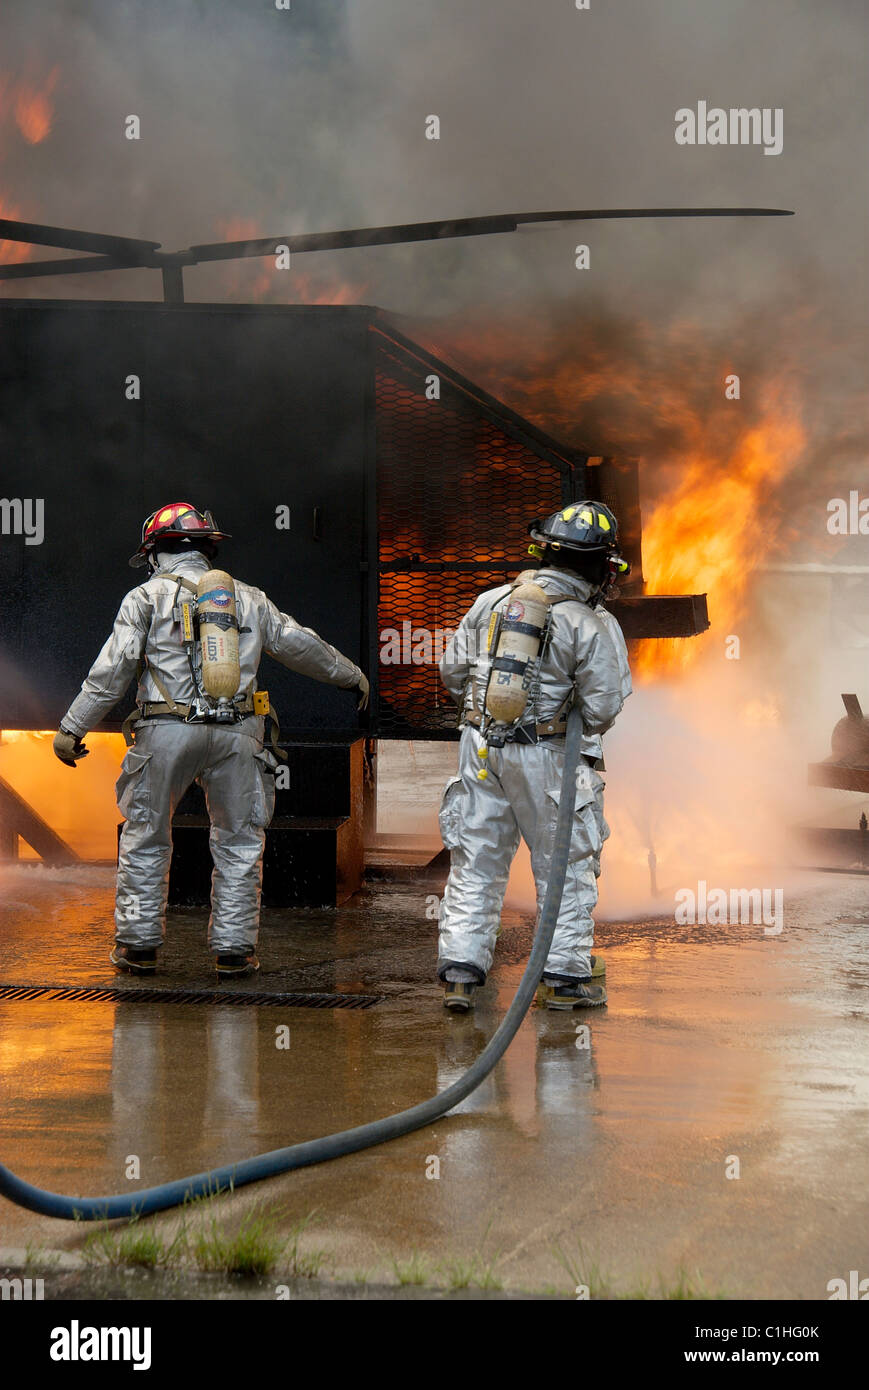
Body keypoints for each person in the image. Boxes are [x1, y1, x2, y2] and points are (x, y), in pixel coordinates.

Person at [52, 502, 368, 978]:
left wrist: (72, 728)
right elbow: (299, 643)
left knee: (146, 838)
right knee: (240, 843)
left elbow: (110, 674)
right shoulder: (248, 598)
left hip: (165, 733)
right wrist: (351, 677)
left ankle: (138, 948)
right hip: (239, 734)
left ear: (158, 553)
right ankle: (234, 952)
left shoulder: (144, 598)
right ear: (206, 549)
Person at [436, 501, 631, 1012]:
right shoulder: (589, 623)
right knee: (563, 865)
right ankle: (566, 978)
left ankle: (461, 972)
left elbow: (452, 674)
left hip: (480, 749)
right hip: (549, 758)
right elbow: (605, 706)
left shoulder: (490, 603)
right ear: (597, 565)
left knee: (476, 860)